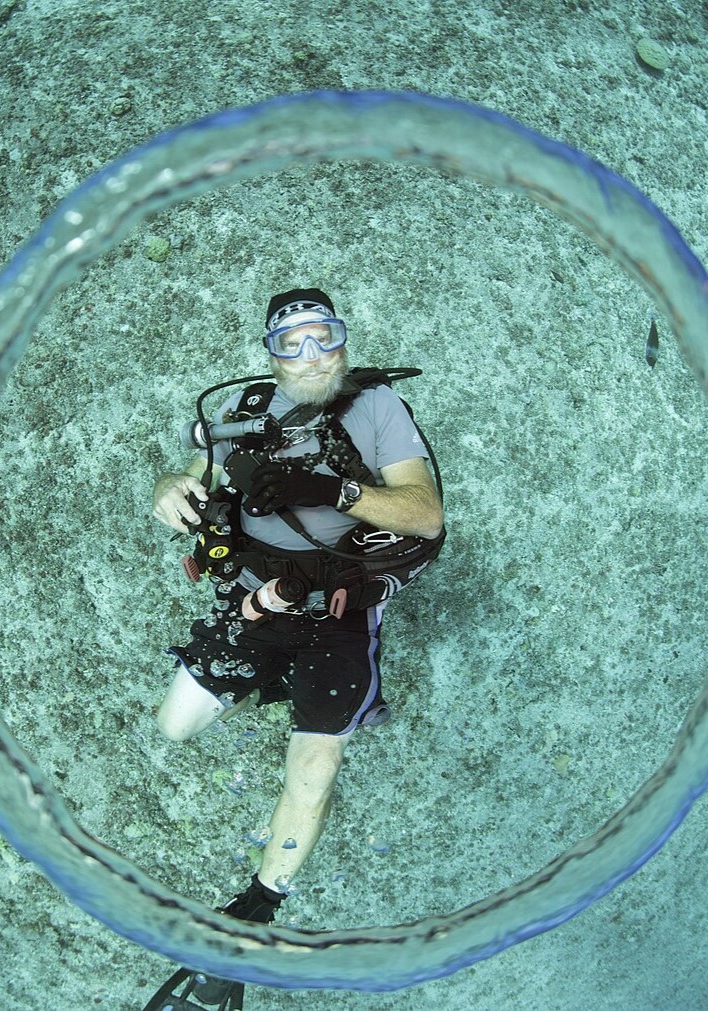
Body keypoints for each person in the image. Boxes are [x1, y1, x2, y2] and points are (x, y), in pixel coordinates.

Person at [149, 288, 443, 1004]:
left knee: (313, 761)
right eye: (292, 342)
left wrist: (333, 488)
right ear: (270, 354)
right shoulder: (245, 409)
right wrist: (171, 485)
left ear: (344, 340)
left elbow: (424, 514)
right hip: (255, 597)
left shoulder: (375, 410)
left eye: (325, 336)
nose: (312, 355)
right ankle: (276, 678)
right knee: (173, 725)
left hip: (337, 601)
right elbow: (197, 477)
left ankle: (255, 910)